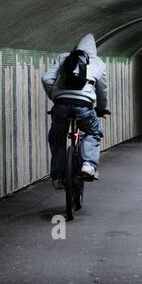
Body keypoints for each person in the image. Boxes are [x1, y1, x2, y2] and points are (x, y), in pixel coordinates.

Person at [42, 32, 108, 187]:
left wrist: (55, 96)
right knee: (93, 132)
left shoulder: (63, 57)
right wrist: (101, 108)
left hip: (61, 104)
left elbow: (46, 79)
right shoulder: (97, 62)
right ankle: (88, 165)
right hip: (83, 105)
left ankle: (58, 176)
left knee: (57, 138)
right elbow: (102, 90)